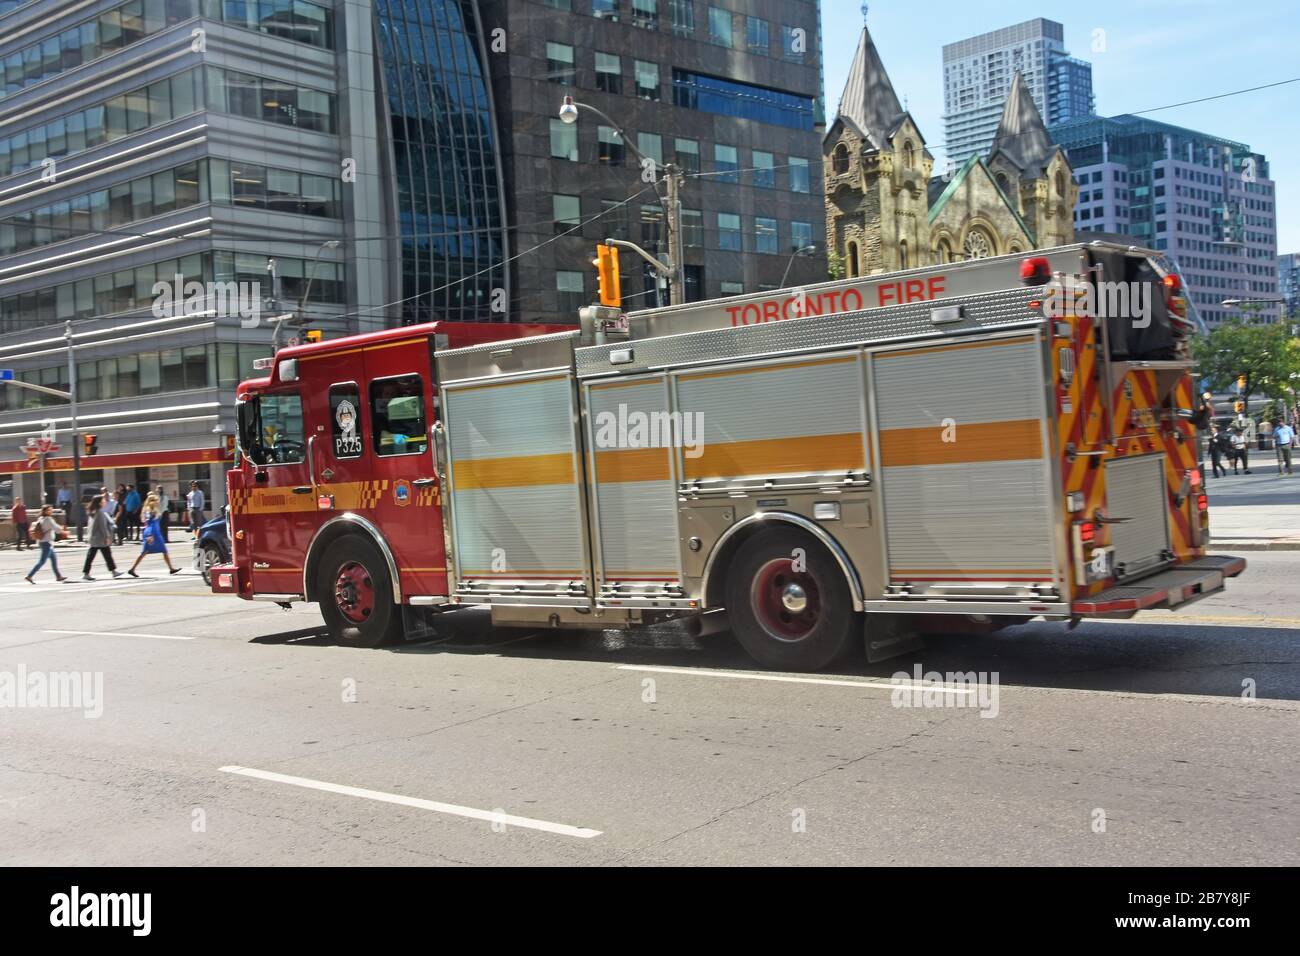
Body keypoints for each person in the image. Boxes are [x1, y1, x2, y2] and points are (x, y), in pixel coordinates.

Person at [127, 494, 180, 577]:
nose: (158, 502)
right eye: (156, 500)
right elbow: (150, 523)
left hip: (154, 531)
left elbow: (146, 522)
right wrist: (150, 534)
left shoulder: (147, 510)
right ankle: (132, 569)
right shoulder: (151, 510)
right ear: (153, 501)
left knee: (163, 550)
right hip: (153, 532)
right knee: (145, 552)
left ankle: (171, 568)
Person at [82, 495, 124, 581]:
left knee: (97, 555)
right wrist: (107, 537)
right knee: (104, 555)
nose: (105, 502)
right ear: (100, 503)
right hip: (100, 538)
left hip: (94, 538)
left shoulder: (92, 512)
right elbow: (103, 527)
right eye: (103, 500)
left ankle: (112, 571)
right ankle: (113, 572)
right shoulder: (100, 513)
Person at [24, 505, 68, 583]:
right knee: (42, 561)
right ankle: (29, 576)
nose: (51, 511)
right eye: (49, 510)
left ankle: (58, 576)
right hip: (47, 543)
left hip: (43, 542)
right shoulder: (48, 519)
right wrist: (63, 530)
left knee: (54, 560)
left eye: (51, 510)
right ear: (45, 511)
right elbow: (57, 529)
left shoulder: (40, 518)